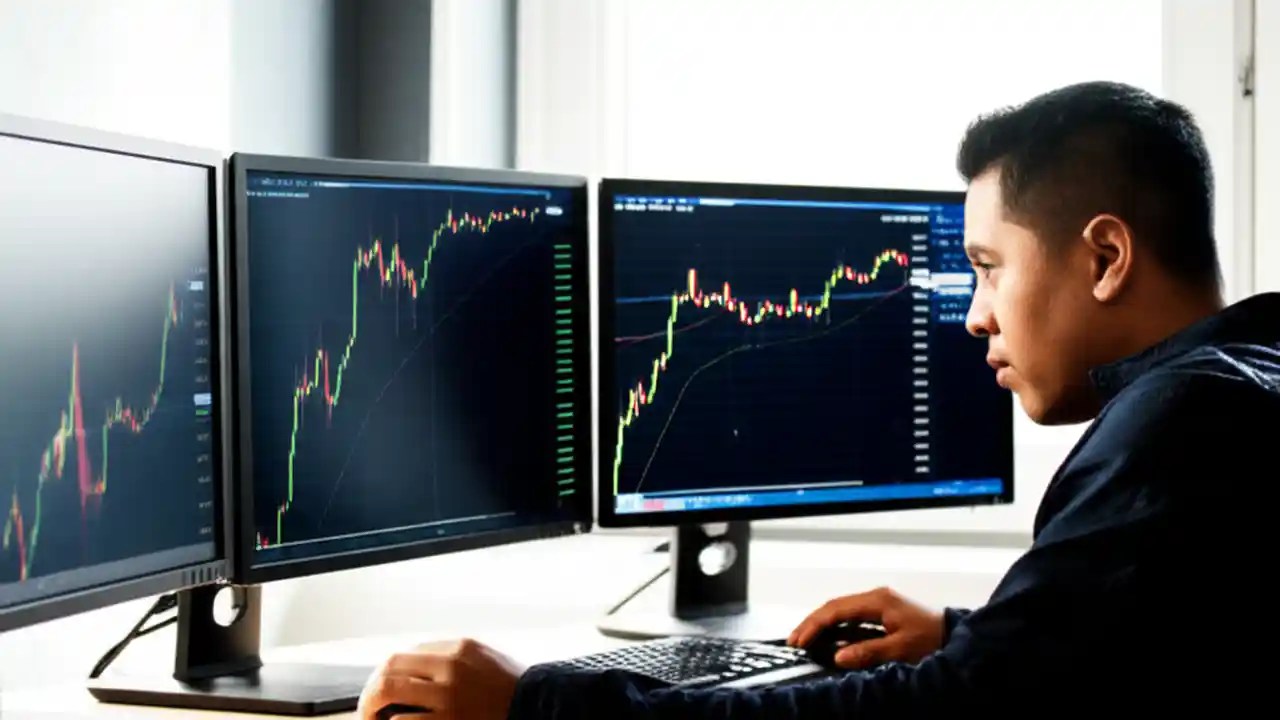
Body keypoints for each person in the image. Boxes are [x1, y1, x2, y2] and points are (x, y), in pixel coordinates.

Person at [357, 80, 1278, 719]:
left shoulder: (1176, 427)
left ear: (1106, 257)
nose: (975, 317)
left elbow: (952, 715)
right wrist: (974, 637)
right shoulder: (1250, 378)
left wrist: (538, 705)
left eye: (990, 269)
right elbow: (1127, 651)